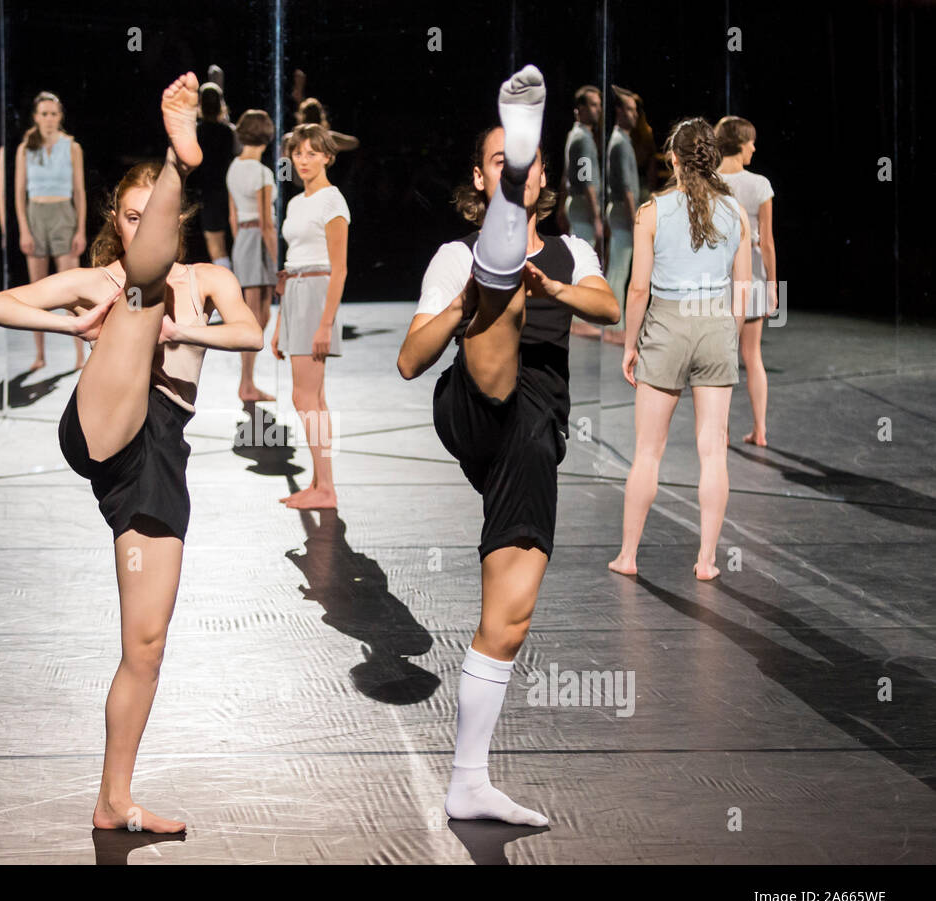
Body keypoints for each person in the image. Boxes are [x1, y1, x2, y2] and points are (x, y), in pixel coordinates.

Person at [0, 73, 264, 833]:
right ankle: (182, 153)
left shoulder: (207, 278)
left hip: (157, 455)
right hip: (102, 425)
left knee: (146, 644)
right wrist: (77, 325)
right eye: (131, 216)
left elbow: (249, 334)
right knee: (137, 298)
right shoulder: (106, 278)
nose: (140, 230)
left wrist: (184, 330)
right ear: (117, 217)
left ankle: (114, 799)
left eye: (154, 216)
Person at [400, 65, 607, 827]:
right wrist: (467, 302)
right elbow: (410, 359)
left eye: (521, 166)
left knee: (509, 617)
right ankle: (500, 277)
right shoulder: (454, 257)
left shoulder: (575, 253)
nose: (512, 173)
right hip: (474, 401)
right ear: (482, 179)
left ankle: (469, 779)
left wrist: (551, 286)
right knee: (498, 318)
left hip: (532, 430)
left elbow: (608, 307)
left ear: (542, 176)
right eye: (499, 162)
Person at [608, 117, 752, 581]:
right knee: (713, 450)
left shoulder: (651, 212)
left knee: (648, 451)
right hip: (714, 325)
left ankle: (628, 556)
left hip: (667, 326)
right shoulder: (736, 213)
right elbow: (743, 288)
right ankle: (707, 560)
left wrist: (629, 346)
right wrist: (726, 334)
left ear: (672, 158)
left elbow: (637, 291)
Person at [271, 123, 350, 510]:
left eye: (311, 152)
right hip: (295, 294)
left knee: (305, 398)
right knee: (313, 397)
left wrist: (325, 323)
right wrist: (280, 326)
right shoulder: (295, 203)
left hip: (316, 295)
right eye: (298, 153)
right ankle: (320, 481)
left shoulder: (332, 201)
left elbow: (340, 268)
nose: (303, 159)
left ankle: (326, 488)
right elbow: (292, 263)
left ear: (327, 156)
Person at [14, 91, 87, 373]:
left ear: (60, 117)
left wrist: (80, 229)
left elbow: (79, 191)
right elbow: (19, 192)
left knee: (71, 291)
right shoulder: (25, 148)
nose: (48, 119)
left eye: (53, 114)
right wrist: (24, 229)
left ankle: (80, 354)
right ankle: (40, 355)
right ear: (35, 117)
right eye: (43, 114)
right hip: (35, 216)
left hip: (63, 214)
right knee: (38, 293)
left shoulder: (71, 146)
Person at [717, 115, 777, 446]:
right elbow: (767, 241)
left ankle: (721, 430)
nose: (754, 146)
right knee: (751, 356)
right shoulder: (759, 185)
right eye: (751, 141)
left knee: (722, 358)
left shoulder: (708, 181)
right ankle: (760, 430)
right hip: (751, 277)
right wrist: (772, 286)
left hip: (718, 279)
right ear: (740, 143)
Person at [226, 109, 278, 404]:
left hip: (243, 239)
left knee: (257, 314)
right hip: (258, 238)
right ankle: (247, 384)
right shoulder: (262, 173)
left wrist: (241, 246)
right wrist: (277, 260)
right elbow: (267, 223)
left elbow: (233, 216)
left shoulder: (234, 167)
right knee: (256, 316)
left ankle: (248, 382)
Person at [605, 86, 640, 321]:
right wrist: (634, 218)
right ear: (618, 111)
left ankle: (612, 321)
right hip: (621, 210)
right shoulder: (619, 143)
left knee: (620, 267)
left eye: (635, 110)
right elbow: (626, 186)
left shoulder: (622, 141)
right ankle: (612, 322)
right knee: (619, 268)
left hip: (620, 209)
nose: (634, 115)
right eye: (629, 109)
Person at [194, 82, 237, 270]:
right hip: (229, 191)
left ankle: (227, 290)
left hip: (209, 193)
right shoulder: (228, 131)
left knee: (217, 247)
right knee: (232, 243)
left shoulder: (197, 131)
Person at [561, 85, 603, 257]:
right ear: (581, 109)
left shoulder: (575, 135)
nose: (598, 110)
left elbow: (566, 174)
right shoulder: (582, 139)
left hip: (577, 204)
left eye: (599, 105)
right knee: (583, 257)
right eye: (593, 105)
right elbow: (586, 180)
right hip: (583, 206)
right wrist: (596, 217)